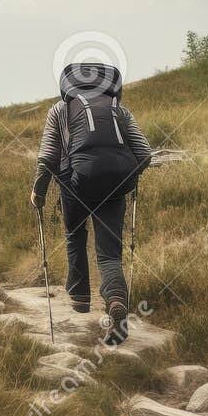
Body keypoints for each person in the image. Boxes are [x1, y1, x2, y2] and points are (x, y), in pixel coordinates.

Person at [30, 62, 151, 341]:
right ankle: (117, 303)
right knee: (109, 255)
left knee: (75, 236)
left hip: (74, 186)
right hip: (115, 187)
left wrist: (38, 192)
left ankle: (80, 297)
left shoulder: (60, 110)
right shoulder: (119, 110)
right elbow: (144, 153)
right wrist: (128, 180)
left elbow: (48, 156)